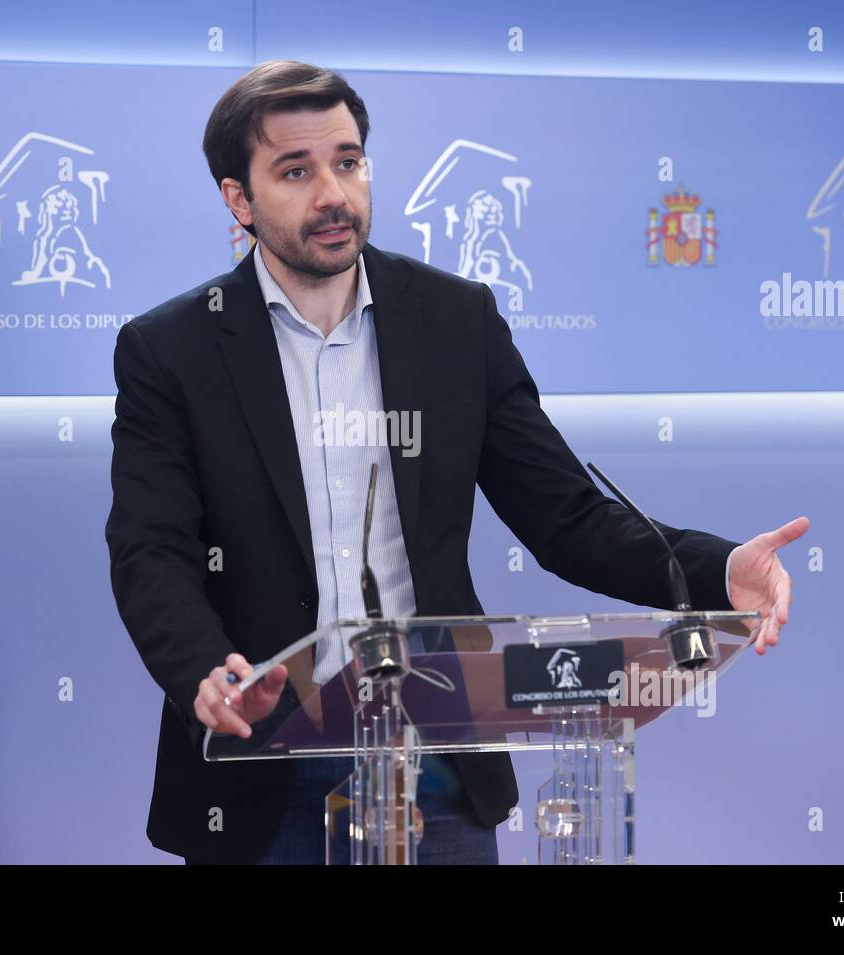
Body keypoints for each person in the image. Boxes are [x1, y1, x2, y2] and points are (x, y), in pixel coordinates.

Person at [105, 60, 808, 865]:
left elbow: (566, 516)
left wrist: (719, 573)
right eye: (295, 172)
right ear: (238, 198)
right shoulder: (172, 350)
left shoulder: (453, 320)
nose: (333, 192)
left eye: (348, 161)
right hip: (262, 766)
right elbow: (150, 548)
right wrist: (207, 671)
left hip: (435, 755)